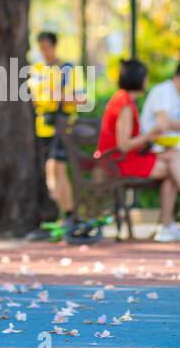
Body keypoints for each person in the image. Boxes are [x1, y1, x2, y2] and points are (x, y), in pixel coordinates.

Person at [97, 59, 180, 243]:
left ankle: (166, 227)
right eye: (145, 77)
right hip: (119, 162)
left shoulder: (124, 100)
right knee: (174, 167)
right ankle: (166, 226)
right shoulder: (124, 104)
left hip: (125, 158)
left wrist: (149, 139)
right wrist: (149, 135)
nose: (147, 80)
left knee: (174, 159)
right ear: (138, 79)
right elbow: (124, 145)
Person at [29, 30, 77, 227]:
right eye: (41, 49)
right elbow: (35, 99)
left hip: (63, 125)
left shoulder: (67, 69)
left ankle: (68, 212)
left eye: (47, 47)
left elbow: (81, 99)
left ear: (54, 46)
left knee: (56, 168)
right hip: (44, 127)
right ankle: (66, 213)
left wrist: (58, 97)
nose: (45, 52)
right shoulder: (37, 70)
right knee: (55, 171)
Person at [141, 61, 180, 151]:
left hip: (169, 145)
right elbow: (163, 123)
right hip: (151, 146)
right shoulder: (164, 91)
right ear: (177, 77)